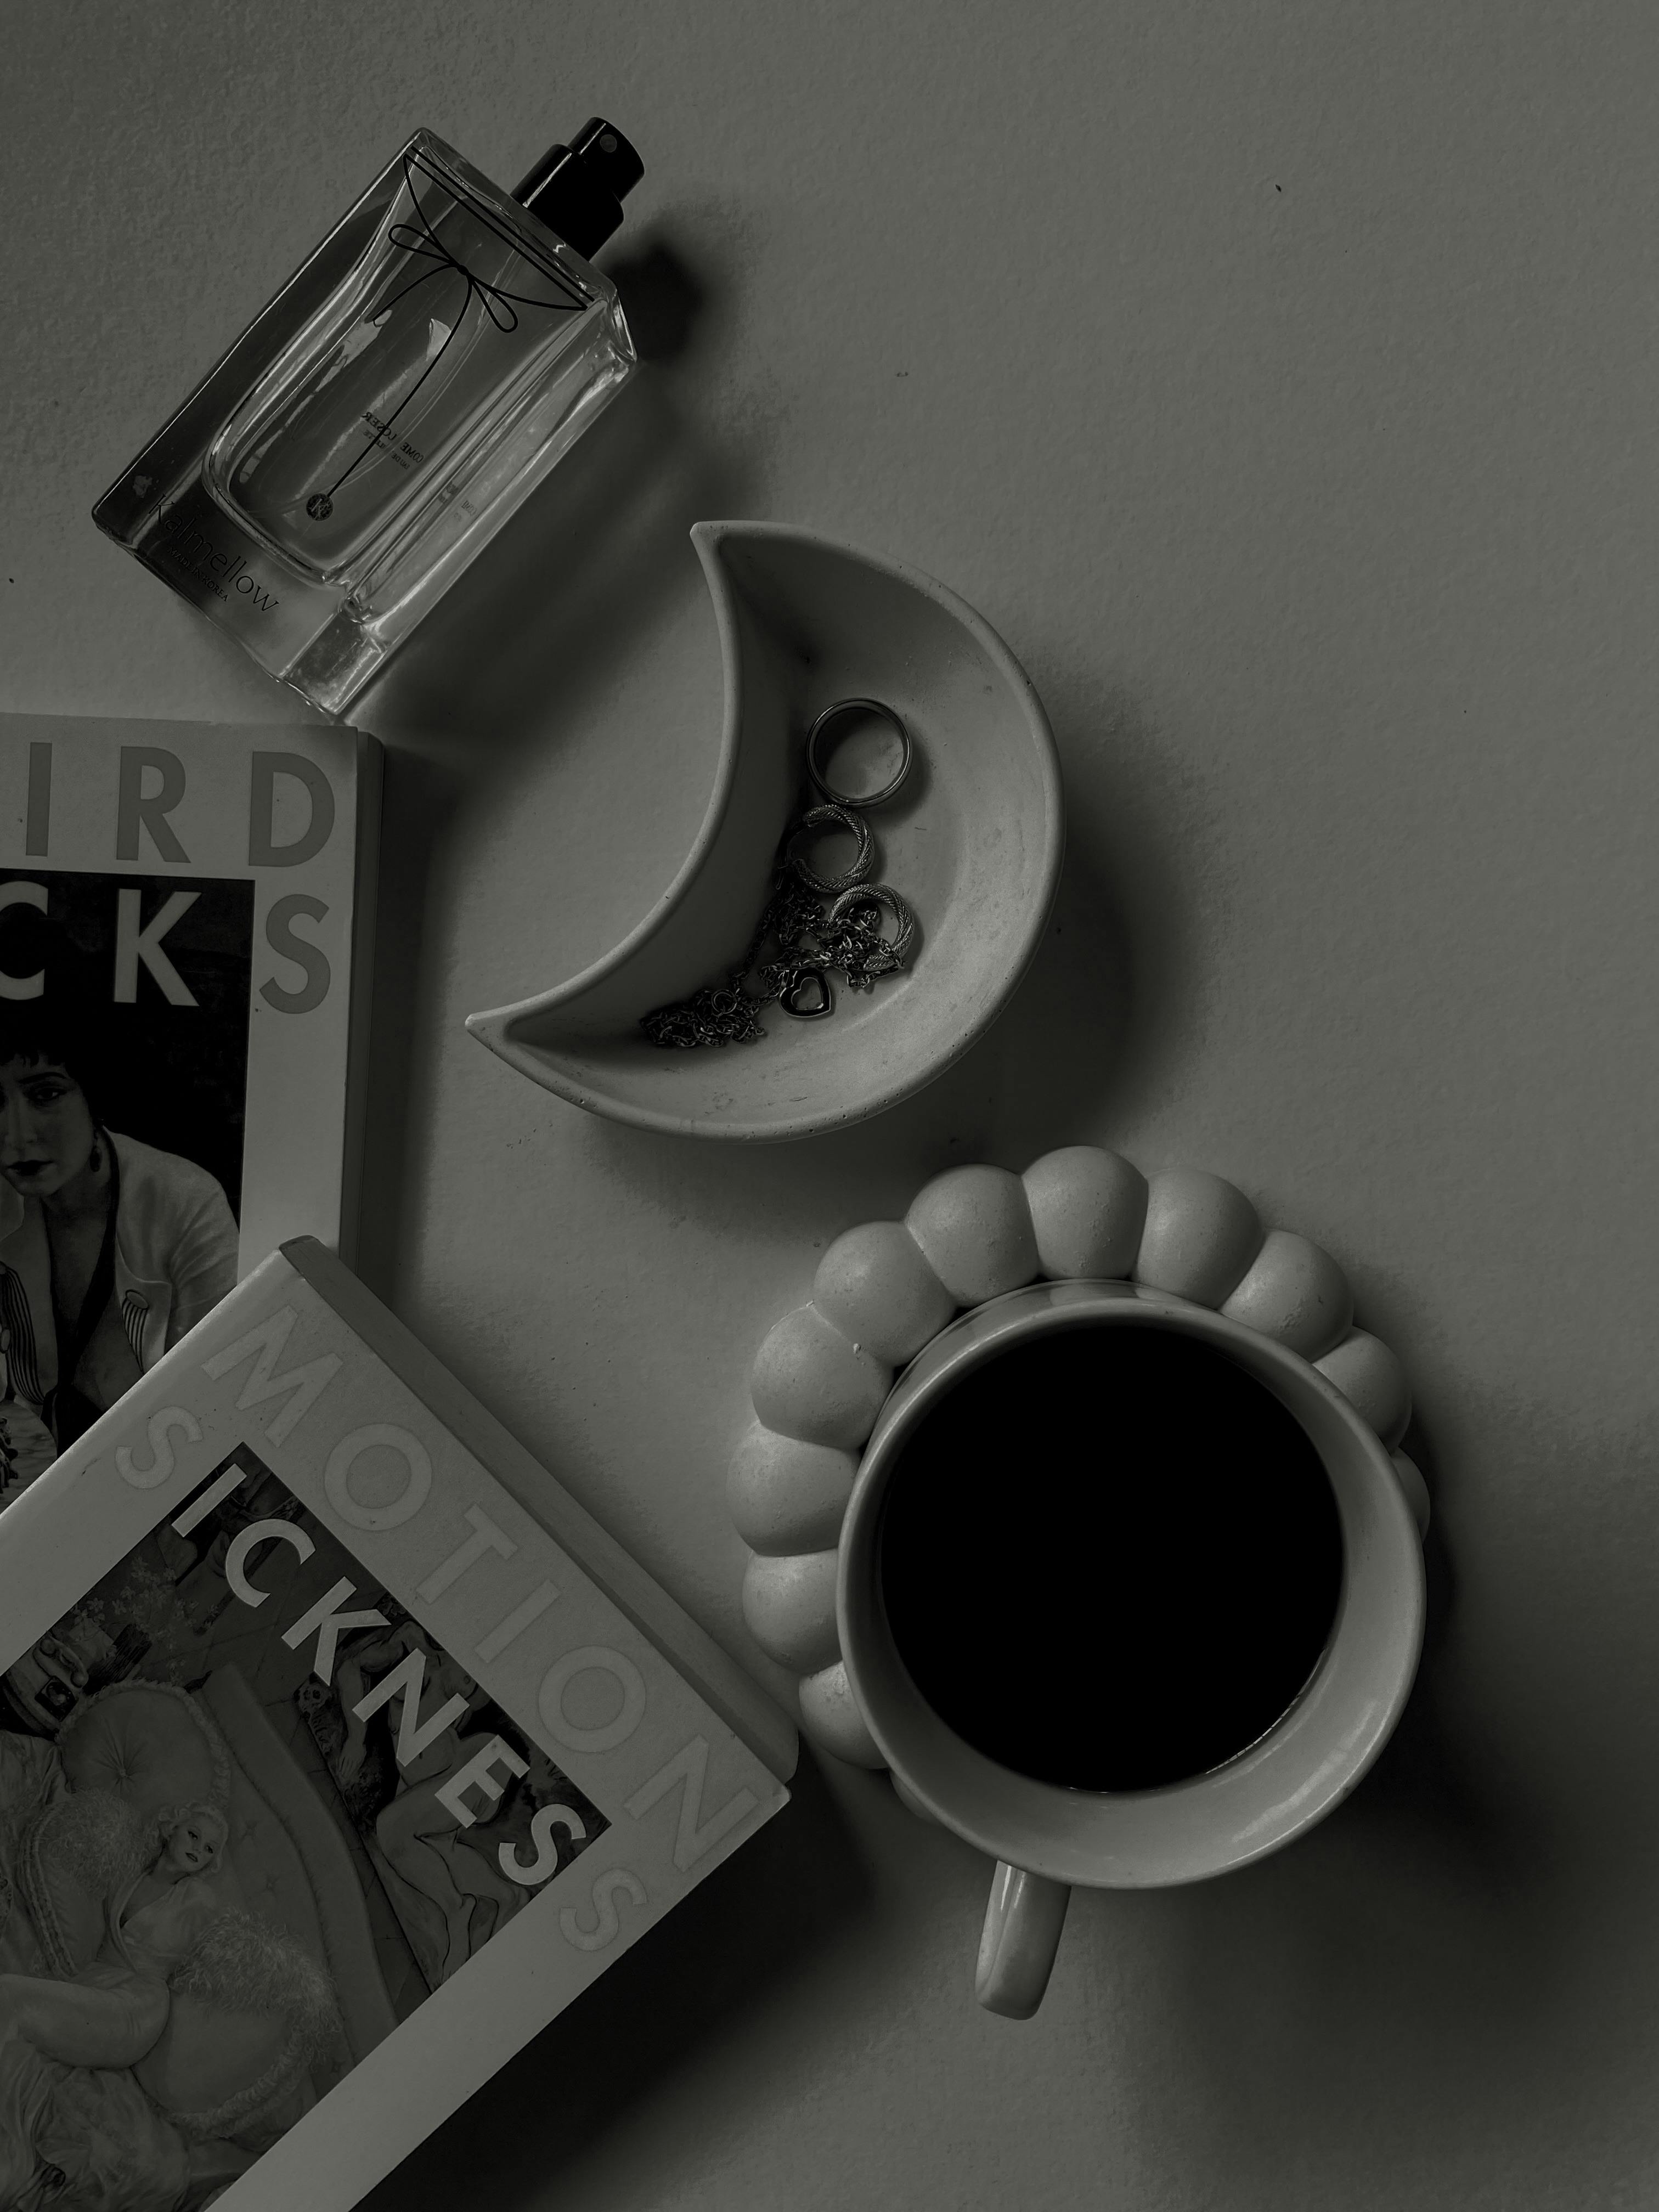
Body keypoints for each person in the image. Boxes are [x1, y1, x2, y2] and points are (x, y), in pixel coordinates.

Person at [0, 994, 239, 1464]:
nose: (16, 1134)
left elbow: (222, 1390)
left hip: (168, 1475)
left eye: (45, 1094)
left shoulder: (185, 1201)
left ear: (97, 1095)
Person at [0, 1801, 232, 2069]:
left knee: (10, 1994)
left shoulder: (198, 1900)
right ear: (173, 1828)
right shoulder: (132, 1873)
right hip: (97, 1981)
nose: (198, 1849)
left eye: (209, 1849)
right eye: (194, 1835)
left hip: (138, 2007)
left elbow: (216, 1952)